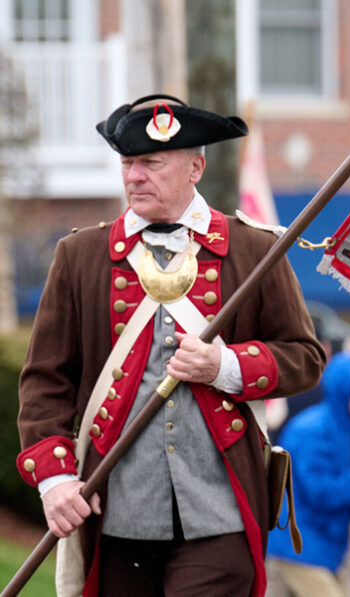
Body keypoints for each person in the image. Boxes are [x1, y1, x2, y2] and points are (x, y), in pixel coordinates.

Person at [15, 94, 325, 595]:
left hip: (219, 511)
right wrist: (54, 481)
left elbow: (306, 359)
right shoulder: (81, 256)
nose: (134, 176)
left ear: (195, 168)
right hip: (115, 512)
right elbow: (45, 382)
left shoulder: (256, 248)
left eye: (151, 163)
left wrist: (225, 365)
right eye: (128, 163)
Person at [266, 352, 350, 596]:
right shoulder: (310, 429)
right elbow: (321, 494)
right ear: (342, 386)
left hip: (326, 547)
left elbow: (348, 502)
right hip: (298, 544)